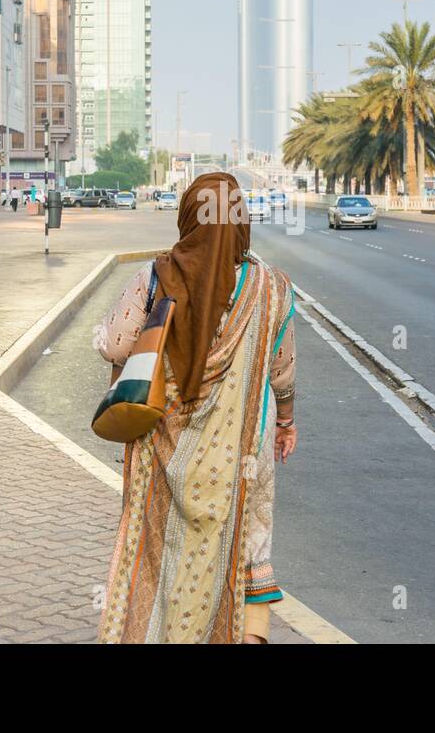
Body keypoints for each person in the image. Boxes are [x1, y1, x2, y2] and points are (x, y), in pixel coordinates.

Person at [93, 172, 297, 644]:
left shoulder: (156, 278)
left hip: (164, 443)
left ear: (187, 217)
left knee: (162, 547)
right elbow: (282, 371)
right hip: (243, 449)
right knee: (247, 542)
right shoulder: (273, 288)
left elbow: (115, 346)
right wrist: (286, 421)